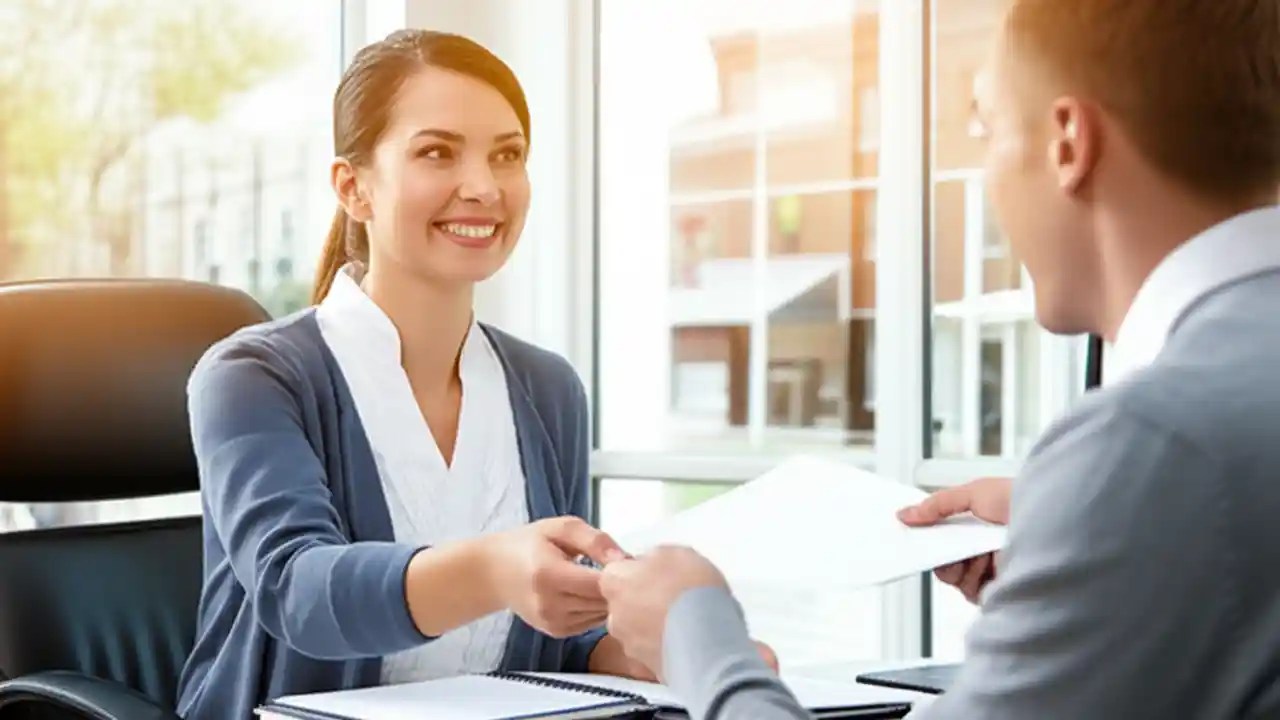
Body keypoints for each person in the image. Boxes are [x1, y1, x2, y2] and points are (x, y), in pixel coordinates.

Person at [599, 0, 1280, 717]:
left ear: (1068, 143)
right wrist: (1075, 554)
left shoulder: (1152, 445)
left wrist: (694, 634)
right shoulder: (1190, 449)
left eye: (986, 132)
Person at [176, 30, 647, 720]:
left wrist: (662, 650)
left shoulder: (550, 390)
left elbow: (560, 644)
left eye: (507, 155)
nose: (483, 187)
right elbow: (296, 590)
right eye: (437, 152)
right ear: (353, 187)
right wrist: (494, 571)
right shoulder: (253, 377)